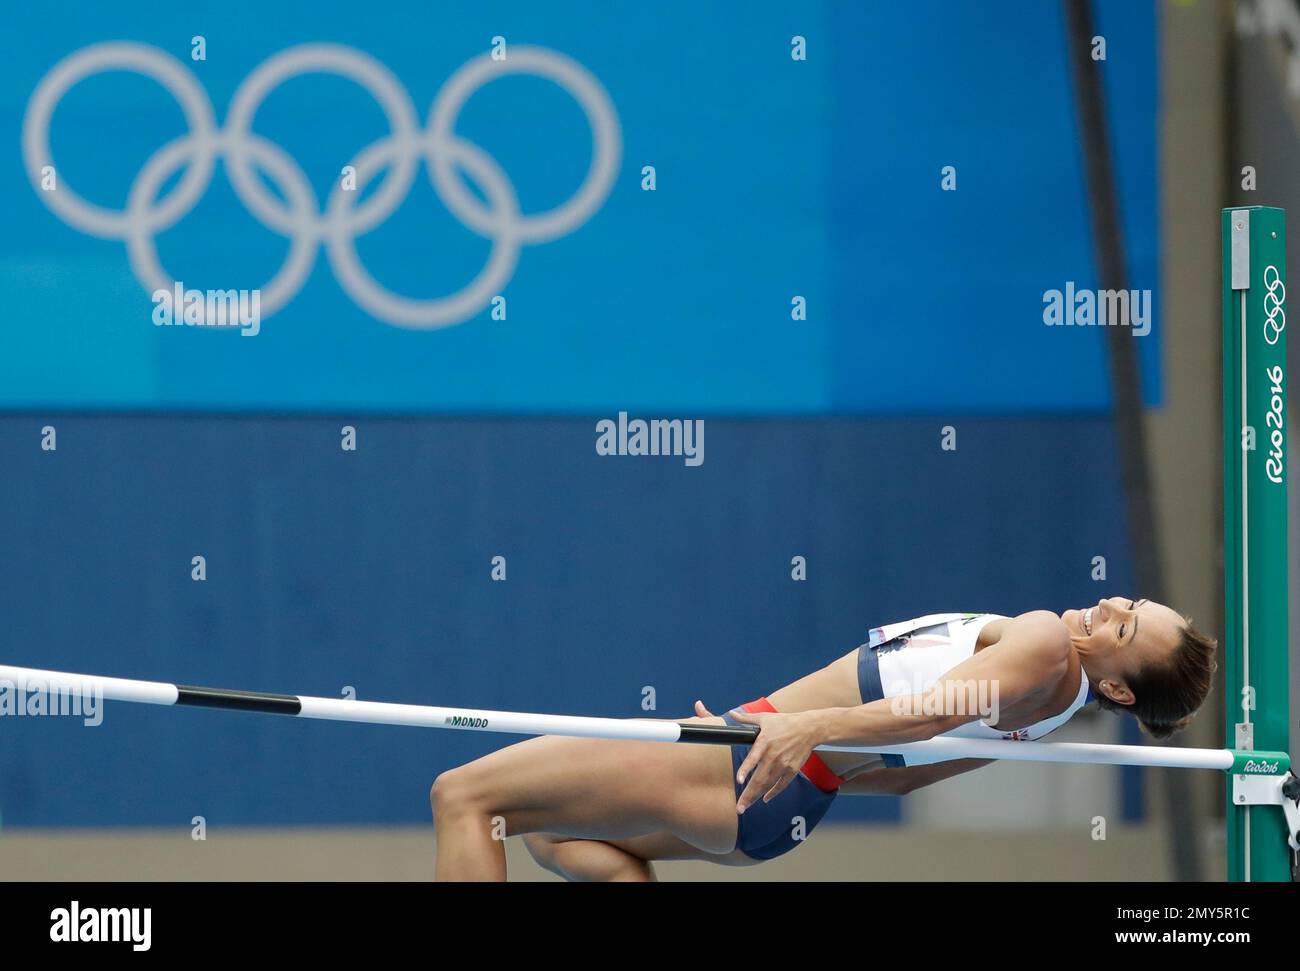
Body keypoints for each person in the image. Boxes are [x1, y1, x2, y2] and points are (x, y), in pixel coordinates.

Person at [430, 599, 1218, 880]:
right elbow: (908, 774)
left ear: (1119, 686)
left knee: (465, 795)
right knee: (545, 835)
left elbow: (929, 716)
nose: (1108, 604)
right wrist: (791, 753)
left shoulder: (1046, 642)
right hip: (784, 802)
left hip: (761, 763)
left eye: (1125, 626)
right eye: (1131, 599)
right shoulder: (1045, 715)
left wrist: (793, 732)